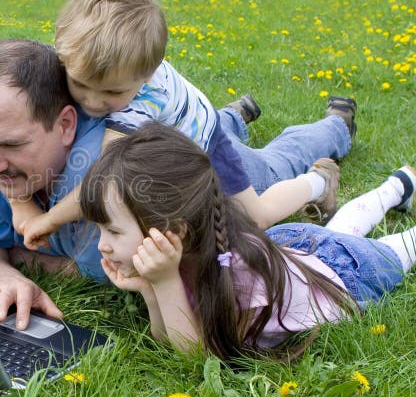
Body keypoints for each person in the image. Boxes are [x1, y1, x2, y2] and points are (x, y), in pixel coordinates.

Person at [17, 0, 354, 249]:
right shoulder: (78, 54)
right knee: (191, 117)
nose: (91, 101)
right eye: (80, 84)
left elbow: (105, 179)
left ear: (148, 75)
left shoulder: (141, 104)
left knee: (255, 216)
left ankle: (319, 178)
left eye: (112, 93)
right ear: (60, 46)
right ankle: (235, 116)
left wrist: (49, 220)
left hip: (202, 141)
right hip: (182, 116)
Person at [79, 121, 416, 362]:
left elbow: (194, 357)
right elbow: (166, 338)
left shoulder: (240, 278)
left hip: (346, 275)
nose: (102, 246)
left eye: (114, 231)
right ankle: (398, 186)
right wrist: (149, 288)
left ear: (175, 230)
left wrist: (164, 282)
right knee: (342, 228)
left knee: (398, 250)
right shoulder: (190, 253)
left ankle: (394, 191)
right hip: (297, 249)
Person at [0, 39, 107, 330]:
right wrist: (8, 277)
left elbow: (105, 272)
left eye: (10, 144)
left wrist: (25, 257)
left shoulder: (103, 167)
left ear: (65, 126)